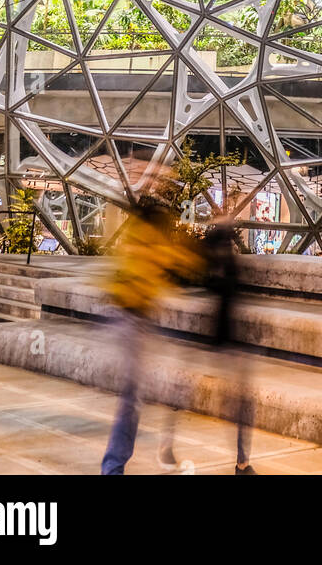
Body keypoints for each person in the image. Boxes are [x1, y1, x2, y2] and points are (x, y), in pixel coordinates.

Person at [100, 197, 202, 476]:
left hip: (133, 321)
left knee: (138, 395)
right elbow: (181, 263)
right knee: (133, 398)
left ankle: (121, 463)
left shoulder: (137, 240)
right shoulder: (148, 245)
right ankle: (114, 467)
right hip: (131, 322)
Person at [200, 221, 256, 476]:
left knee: (241, 406)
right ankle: (242, 463)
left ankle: (242, 462)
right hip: (228, 344)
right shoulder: (224, 265)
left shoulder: (216, 267)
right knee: (242, 406)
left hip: (225, 342)